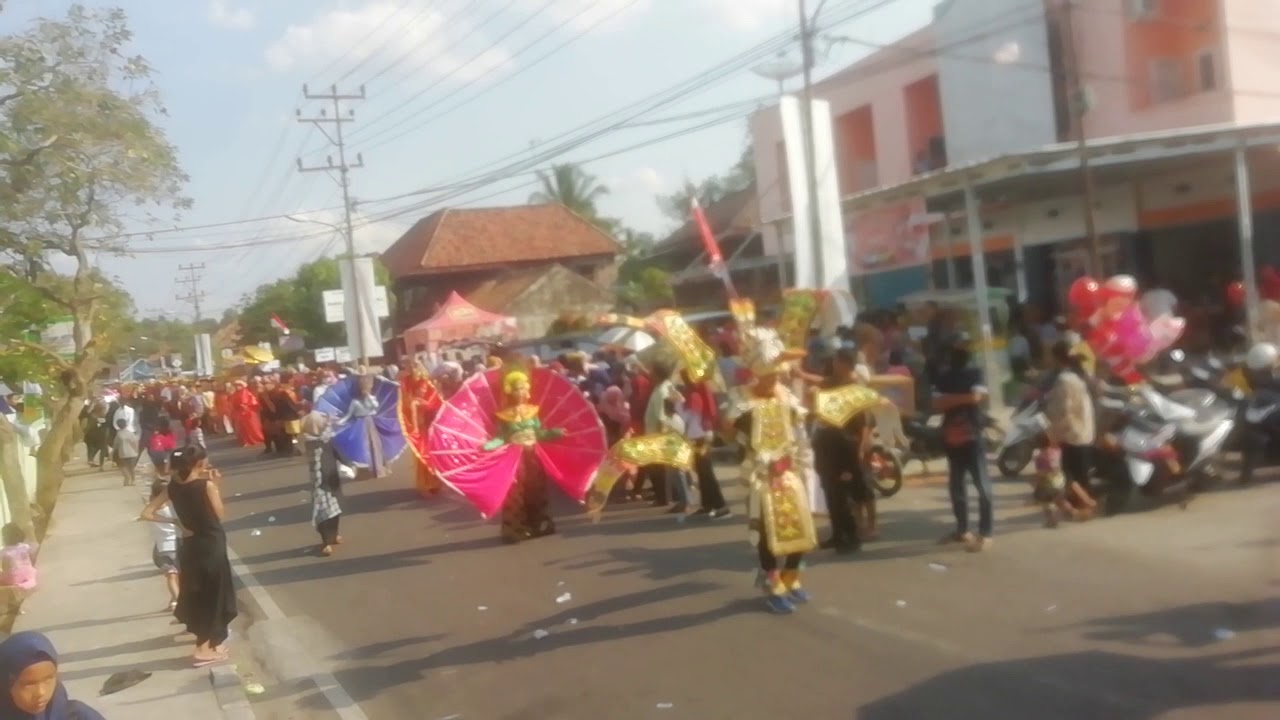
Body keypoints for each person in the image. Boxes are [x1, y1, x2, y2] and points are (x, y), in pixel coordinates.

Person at [724, 325, 818, 615]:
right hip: (761, 477)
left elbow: (800, 433)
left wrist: (805, 469)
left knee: (802, 530)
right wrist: (737, 424)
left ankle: (791, 577)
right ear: (757, 373)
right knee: (768, 535)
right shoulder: (742, 399)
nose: (774, 379)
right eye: (769, 375)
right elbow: (730, 432)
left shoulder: (785, 395)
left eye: (777, 373)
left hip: (789, 474)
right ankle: (773, 584)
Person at [141, 445, 236, 667]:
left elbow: (147, 513)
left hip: (190, 544)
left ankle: (212, 643)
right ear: (199, 463)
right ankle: (203, 648)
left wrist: (176, 522)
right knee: (215, 593)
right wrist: (216, 486)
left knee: (199, 592)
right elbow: (219, 514)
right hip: (211, 542)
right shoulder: (206, 486)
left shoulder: (173, 487)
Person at [483, 370, 566, 544]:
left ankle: (539, 525)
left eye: (523, 388)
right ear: (510, 392)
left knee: (537, 490)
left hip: (533, 456)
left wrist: (555, 433)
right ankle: (515, 530)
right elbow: (501, 437)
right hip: (515, 457)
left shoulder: (532, 411)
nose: (520, 392)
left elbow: (539, 433)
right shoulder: (504, 415)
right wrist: (489, 446)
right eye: (516, 389)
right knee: (514, 493)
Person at [932, 333, 994, 552]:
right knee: (959, 485)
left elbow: (971, 399)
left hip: (968, 434)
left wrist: (951, 399)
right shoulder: (951, 375)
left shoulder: (966, 374)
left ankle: (984, 532)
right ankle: (964, 530)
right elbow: (939, 404)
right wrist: (963, 397)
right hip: (958, 434)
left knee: (978, 485)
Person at [811, 348, 876, 554]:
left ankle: (851, 537)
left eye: (837, 361)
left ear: (845, 364)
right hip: (826, 442)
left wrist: (860, 448)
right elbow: (816, 384)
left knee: (844, 493)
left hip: (846, 444)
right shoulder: (830, 383)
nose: (834, 364)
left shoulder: (855, 388)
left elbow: (864, 422)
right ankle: (837, 534)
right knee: (830, 491)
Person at [1044, 340, 1099, 519]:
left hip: (1072, 434)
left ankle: (1086, 505)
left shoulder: (1064, 379)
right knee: (1080, 474)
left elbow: (1062, 411)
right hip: (1085, 431)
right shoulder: (1081, 375)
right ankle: (1083, 507)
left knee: (1069, 475)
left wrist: (1053, 433)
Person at [0, 632, 106, 720]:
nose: (41, 692)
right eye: (29, 684)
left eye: (48, 679)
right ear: (5, 684)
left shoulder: (76, 715)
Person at [681, 369, 730, 519]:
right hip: (701, 436)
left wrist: (678, 401)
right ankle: (708, 504)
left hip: (699, 437)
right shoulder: (697, 394)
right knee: (702, 473)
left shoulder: (693, 396)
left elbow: (686, 416)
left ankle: (720, 505)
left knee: (706, 473)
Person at [302, 412, 346, 556]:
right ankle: (326, 542)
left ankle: (334, 535)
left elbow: (337, 453)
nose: (325, 424)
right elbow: (316, 461)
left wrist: (349, 463)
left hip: (331, 477)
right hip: (320, 482)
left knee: (335, 509)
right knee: (323, 512)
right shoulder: (311, 441)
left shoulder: (327, 438)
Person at [146, 479, 181, 611]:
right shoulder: (172, 510)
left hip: (162, 548)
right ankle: (177, 601)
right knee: (178, 576)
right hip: (176, 545)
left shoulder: (150, 510)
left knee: (171, 576)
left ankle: (175, 600)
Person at [0, 523, 37, 603]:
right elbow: (31, 559)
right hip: (29, 573)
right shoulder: (25, 547)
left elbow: (3, 567)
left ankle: (15, 587)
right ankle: (27, 583)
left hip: (14, 578)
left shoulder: (4, 552)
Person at [112, 418, 140, 486]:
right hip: (132, 453)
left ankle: (127, 478)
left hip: (123, 453)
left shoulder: (118, 434)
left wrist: (112, 453)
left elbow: (115, 445)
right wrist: (137, 451)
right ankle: (133, 480)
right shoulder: (130, 433)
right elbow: (135, 443)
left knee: (123, 467)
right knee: (131, 468)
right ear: (126, 425)